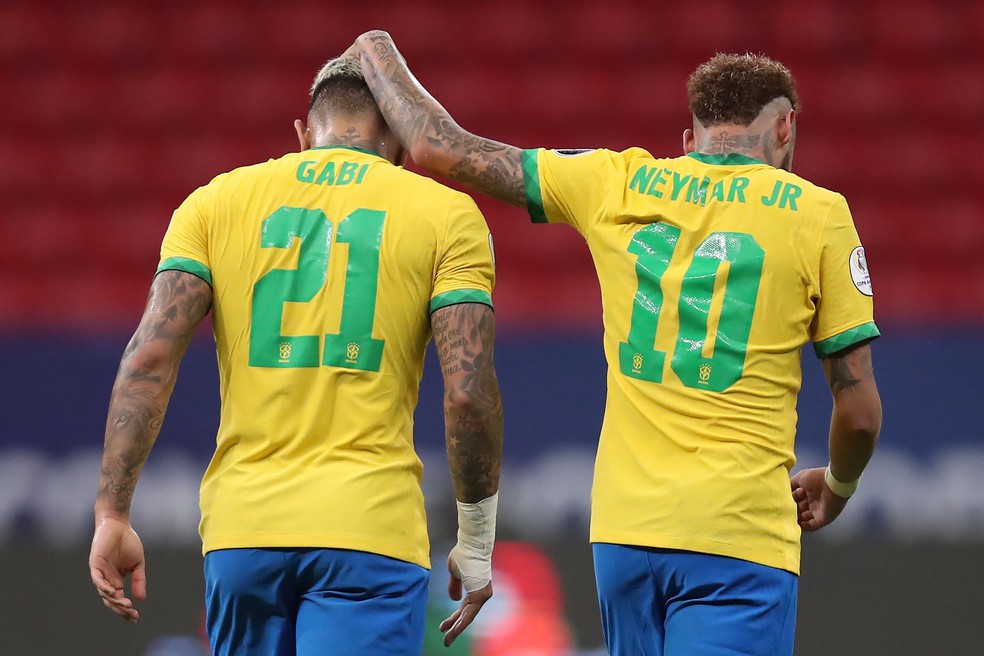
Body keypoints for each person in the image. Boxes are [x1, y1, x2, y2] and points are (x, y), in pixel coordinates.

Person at [346, 31, 882, 656]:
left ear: (688, 142)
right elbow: (860, 411)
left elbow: (438, 149)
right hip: (737, 537)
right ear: (786, 128)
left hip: (625, 539)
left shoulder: (618, 181)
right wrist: (838, 487)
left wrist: (375, 53)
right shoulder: (819, 214)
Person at [88, 55, 504, 655]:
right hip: (370, 535)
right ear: (399, 143)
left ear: (304, 134)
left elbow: (148, 357)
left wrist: (112, 513)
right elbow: (468, 392)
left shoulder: (212, 204)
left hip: (243, 535)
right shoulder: (447, 217)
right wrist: (475, 538)